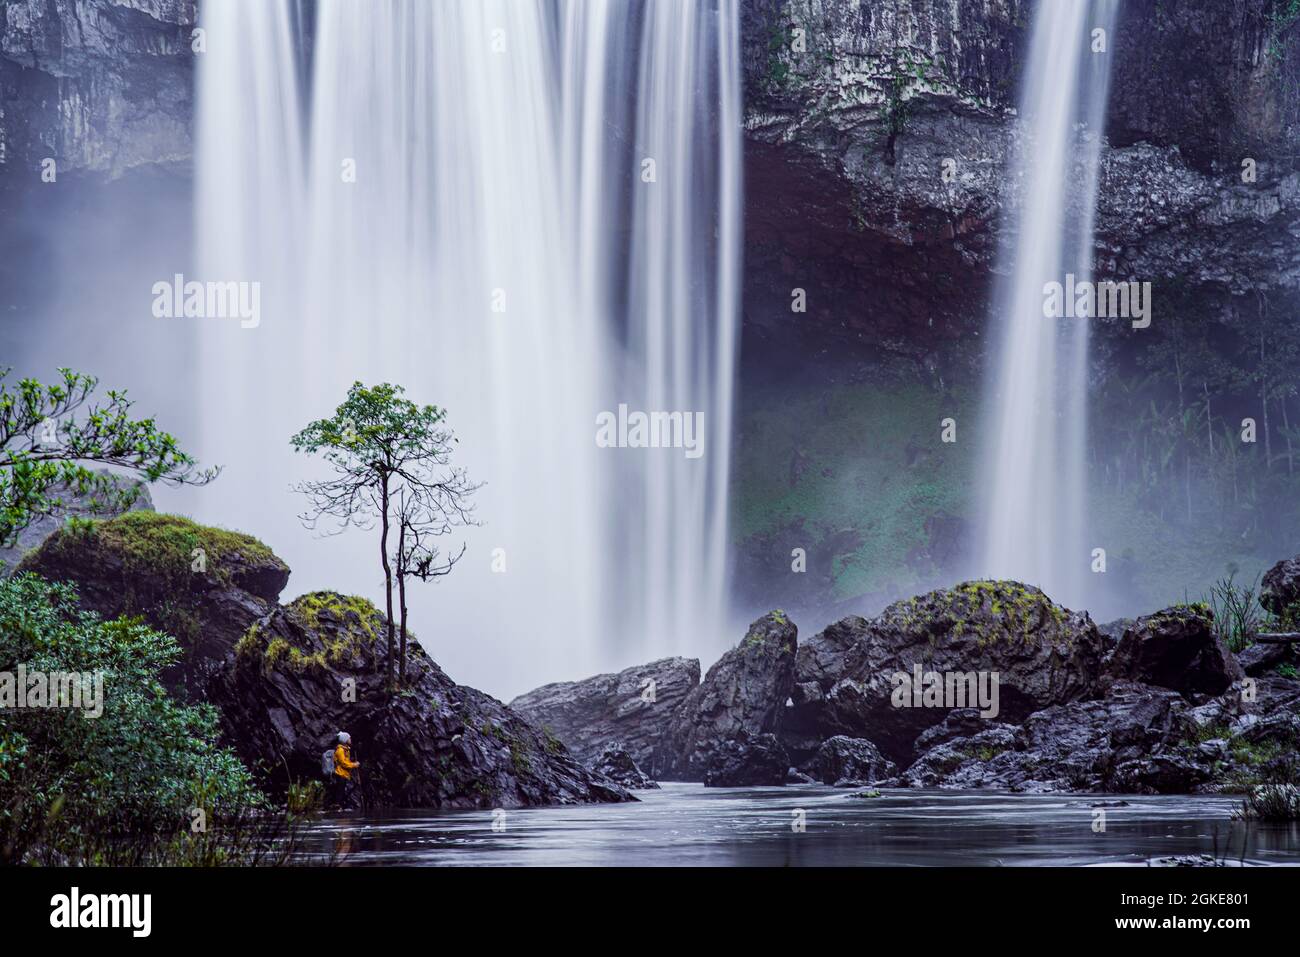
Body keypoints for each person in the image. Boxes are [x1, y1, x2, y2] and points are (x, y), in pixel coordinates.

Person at [332, 731, 361, 808]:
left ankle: (340, 805)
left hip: (344, 774)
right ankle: (337, 806)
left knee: (342, 791)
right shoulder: (340, 750)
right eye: (349, 738)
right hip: (340, 774)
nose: (350, 739)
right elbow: (344, 763)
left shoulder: (345, 750)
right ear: (344, 740)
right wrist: (354, 765)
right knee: (340, 791)